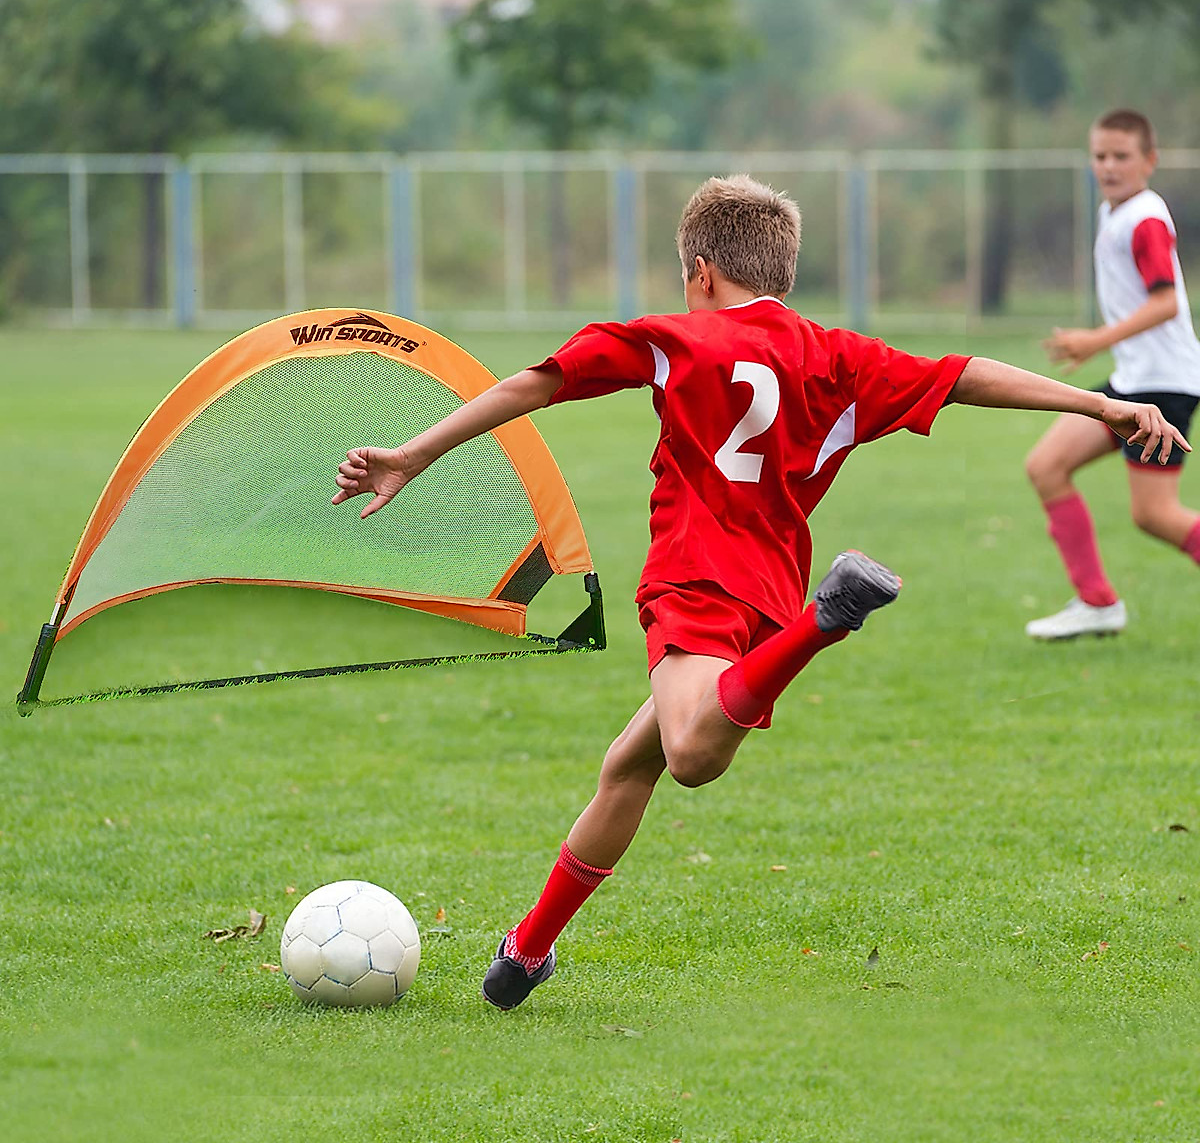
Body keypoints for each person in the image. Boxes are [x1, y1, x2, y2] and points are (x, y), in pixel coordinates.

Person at [331, 175, 1187, 1010]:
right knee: (629, 767)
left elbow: (537, 383)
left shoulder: (675, 337)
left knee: (693, 755)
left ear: (700, 271)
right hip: (761, 595)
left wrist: (415, 452)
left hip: (697, 577)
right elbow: (965, 374)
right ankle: (528, 948)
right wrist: (1101, 407)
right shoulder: (838, 355)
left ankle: (828, 620)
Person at [1024, 109, 1200, 640]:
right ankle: (1096, 602)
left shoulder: (1145, 217)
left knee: (1155, 514)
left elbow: (1166, 303)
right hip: (1135, 380)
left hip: (1162, 385)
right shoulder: (1115, 211)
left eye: (1121, 156)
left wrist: (1092, 340)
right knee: (1047, 465)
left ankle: (1098, 604)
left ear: (1150, 160)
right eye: (1100, 156)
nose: (1108, 166)